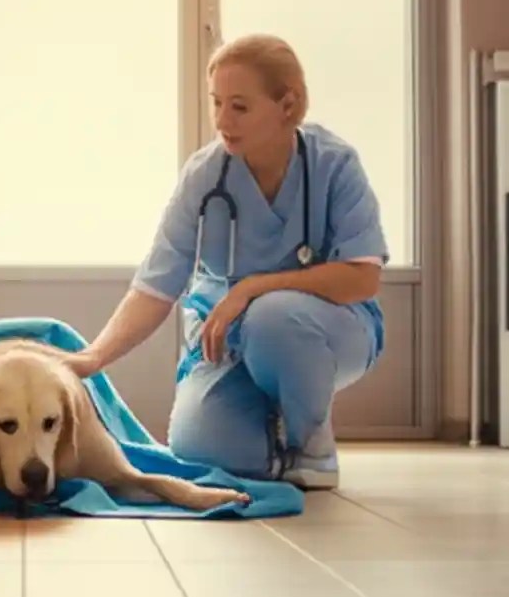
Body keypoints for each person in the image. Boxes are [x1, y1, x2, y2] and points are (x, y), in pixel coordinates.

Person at [60, 34, 388, 490]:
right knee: (199, 448)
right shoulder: (206, 175)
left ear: (288, 105)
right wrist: (93, 357)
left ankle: (311, 447)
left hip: (327, 331)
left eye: (239, 107)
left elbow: (363, 278)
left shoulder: (334, 165)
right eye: (216, 103)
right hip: (227, 345)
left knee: (273, 316)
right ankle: (274, 438)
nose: (221, 120)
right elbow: (156, 285)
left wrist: (251, 289)